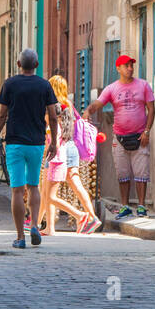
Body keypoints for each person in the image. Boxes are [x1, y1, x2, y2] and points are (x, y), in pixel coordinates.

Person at [0, 49, 58, 248]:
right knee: (33, 186)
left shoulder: (10, 84)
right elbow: (53, 116)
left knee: (17, 191)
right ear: (36, 65)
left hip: (15, 143)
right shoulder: (44, 85)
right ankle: (35, 225)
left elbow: (2, 115)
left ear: (18, 64)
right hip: (36, 144)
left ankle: (20, 237)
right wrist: (53, 142)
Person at [86, 54, 155, 219]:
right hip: (120, 137)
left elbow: (151, 110)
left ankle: (141, 206)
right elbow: (98, 103)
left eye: (131, 65)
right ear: (118, 68)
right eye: (126, 65)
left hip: (140, 136)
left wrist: (147, 131)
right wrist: (89, 110)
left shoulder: (143, 85)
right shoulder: (112, 88)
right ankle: (124, 205)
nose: (130, 68)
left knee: (141, 172)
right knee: (122, 173)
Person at [40, 86, 101, 235]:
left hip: (58, 157)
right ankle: (46, 226)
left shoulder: (54, 112)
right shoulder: (67, 106)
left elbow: (53, 144)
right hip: (69, 150)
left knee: (49, 194)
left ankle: (84, 216)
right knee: (69, 185)